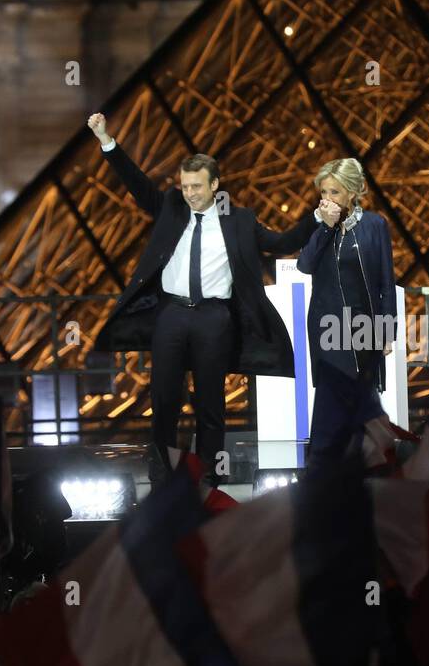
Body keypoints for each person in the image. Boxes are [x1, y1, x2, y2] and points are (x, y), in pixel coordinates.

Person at [86, 113, 311, 487]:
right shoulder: (171, 208)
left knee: (211, 403)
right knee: (164, 399)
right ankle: (162, 472)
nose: (188, 193)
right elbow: (137, 185)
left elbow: (282, 243)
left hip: (214, 317)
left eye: (196, 186)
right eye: (184, 186)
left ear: (215, 185)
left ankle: (208, 476)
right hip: (172, 313)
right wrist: (107, 140)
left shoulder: (239, 221)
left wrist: (316, 218)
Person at [296, 157, 396, 469]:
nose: (327, 199)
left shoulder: (375, 226)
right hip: (328, 326)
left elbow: (385, 281)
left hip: (364, 326)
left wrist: (387, 331)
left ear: (352, 193)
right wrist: (324, 228)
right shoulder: (316, 224)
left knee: (363, 397)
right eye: (323, 192)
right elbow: (304, 265)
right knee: (329, 397)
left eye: (334, 192)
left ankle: (368, 464)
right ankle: (322, 465)